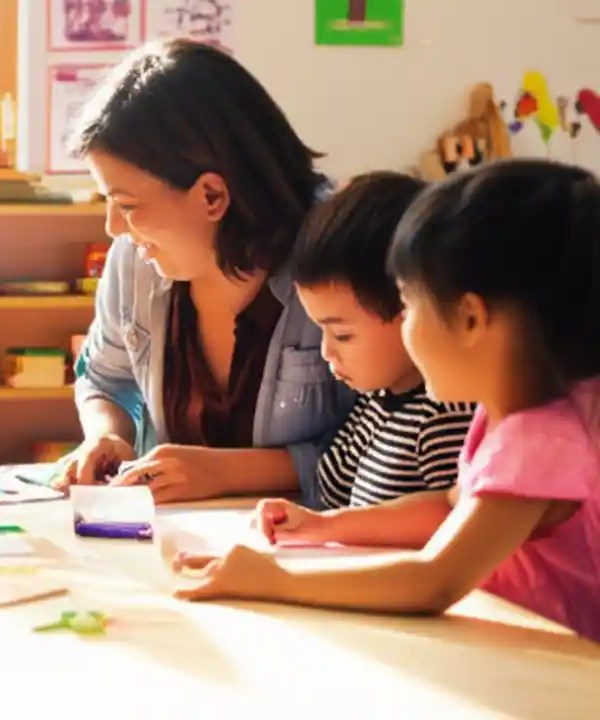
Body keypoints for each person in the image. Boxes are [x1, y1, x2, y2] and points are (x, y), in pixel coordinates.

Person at [174, 159, 600, 643]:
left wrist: (273, 579)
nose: (405, 326)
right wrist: (325, 525)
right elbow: (449, 507)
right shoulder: (512, 414)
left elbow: (434, 580)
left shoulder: (541, 439)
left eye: (410, 306)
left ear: (470, 318)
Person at [60, 39, 354, 504]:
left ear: (212, 195)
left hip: (318, 550)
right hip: (181, 542)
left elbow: (392, 442)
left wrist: (225, 472)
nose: (114, 227)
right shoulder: (134, 256)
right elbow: (104, 376)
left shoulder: (341, 253)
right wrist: (106, 434)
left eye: (128, 205)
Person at [290, 172, 474, 508]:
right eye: (322, 331)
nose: (326, 351)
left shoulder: (446, 417)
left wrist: (325, 528)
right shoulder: (377, 399)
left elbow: (455, 532)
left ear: (412, 306)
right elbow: (329, 486)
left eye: (343, 335)